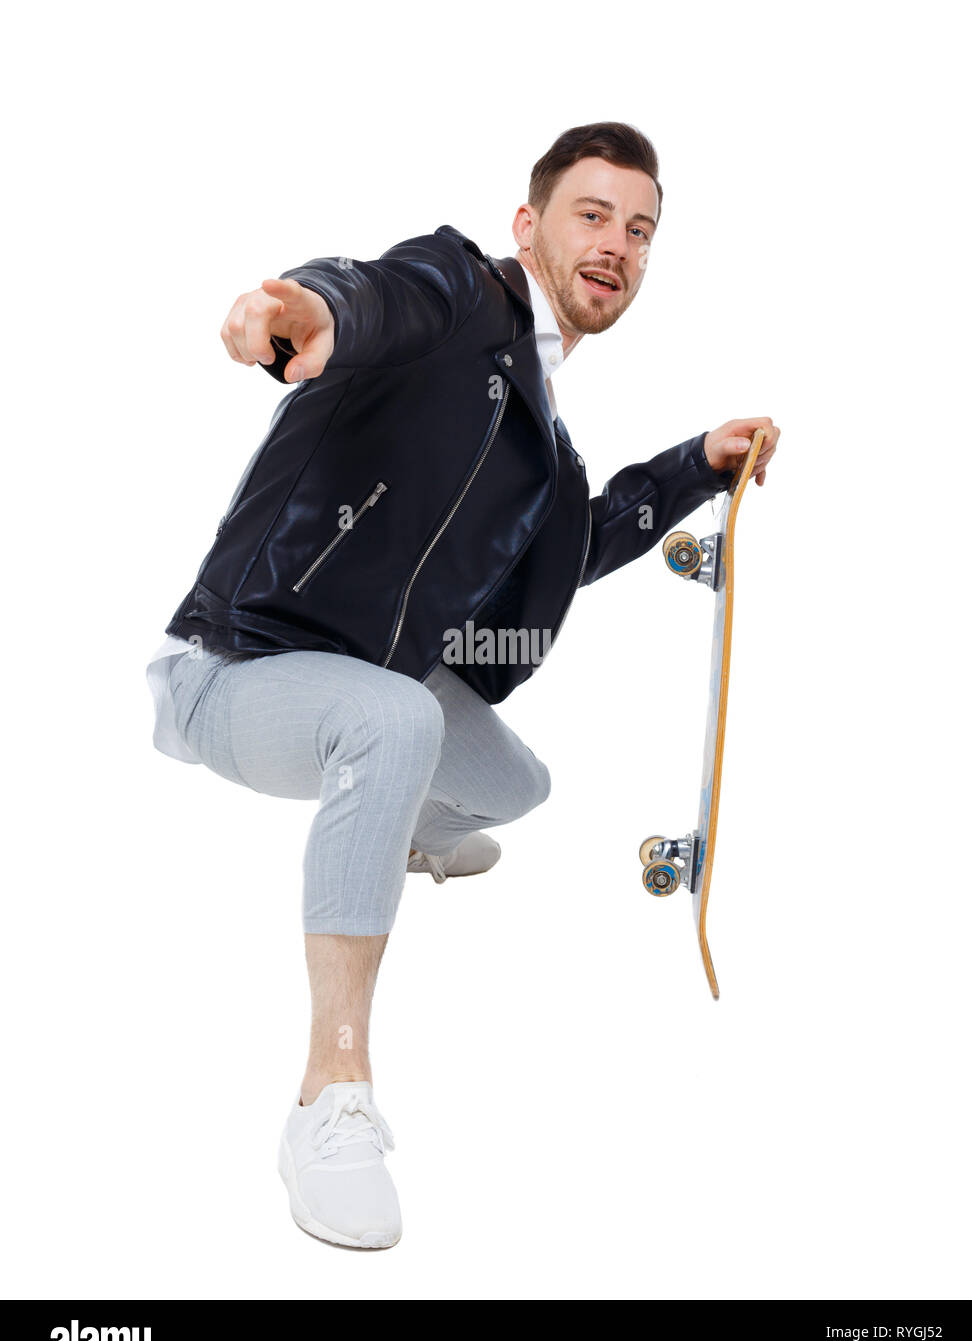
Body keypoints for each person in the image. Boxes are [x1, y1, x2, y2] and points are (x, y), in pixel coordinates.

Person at [145, 121, 781, 1249]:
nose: (617, 246)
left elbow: (575, 541)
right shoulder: (461, 296)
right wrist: (301, 307)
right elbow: (378, 296)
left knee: (514, 784)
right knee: (395, 721)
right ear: (531, 225)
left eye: (641, 231)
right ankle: (326, 1097)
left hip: (357, 682)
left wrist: (697, 462)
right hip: (234, 670)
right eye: (593, 215)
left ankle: (392, 827)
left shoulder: (544, 436)